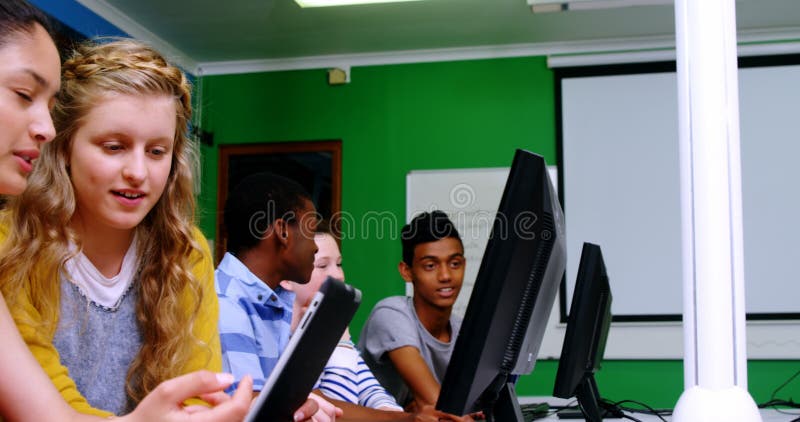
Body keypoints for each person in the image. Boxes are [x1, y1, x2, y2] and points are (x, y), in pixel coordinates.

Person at [0, 2, 268, 421]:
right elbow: (45, 409)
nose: (138, 173)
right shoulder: (12, 243)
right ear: (64, 146)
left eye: (157, 151)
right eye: (113, 147)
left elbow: (196, 390)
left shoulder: (185, 252)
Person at [218, 173, 471, 422]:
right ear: (283, 232)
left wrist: (408, 419)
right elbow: (252, 408)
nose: (314, 246)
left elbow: (309, 400)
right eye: (310, 230)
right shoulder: (227, 302)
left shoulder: (274, 303)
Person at [281, 221, 403, 412]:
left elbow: (368, 388)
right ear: (286, 278)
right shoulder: (280, 338)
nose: (337, 274)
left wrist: (392, 412)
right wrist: (342, 344)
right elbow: (338, 409)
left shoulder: (324, 320)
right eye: (322, 265)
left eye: (339, 264)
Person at [358, 210, 465, 411]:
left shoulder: (461, 330)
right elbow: (436, 406)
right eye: (431, 265)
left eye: (454, 263)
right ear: (407, 271)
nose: (445, 275)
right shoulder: (390, 314)